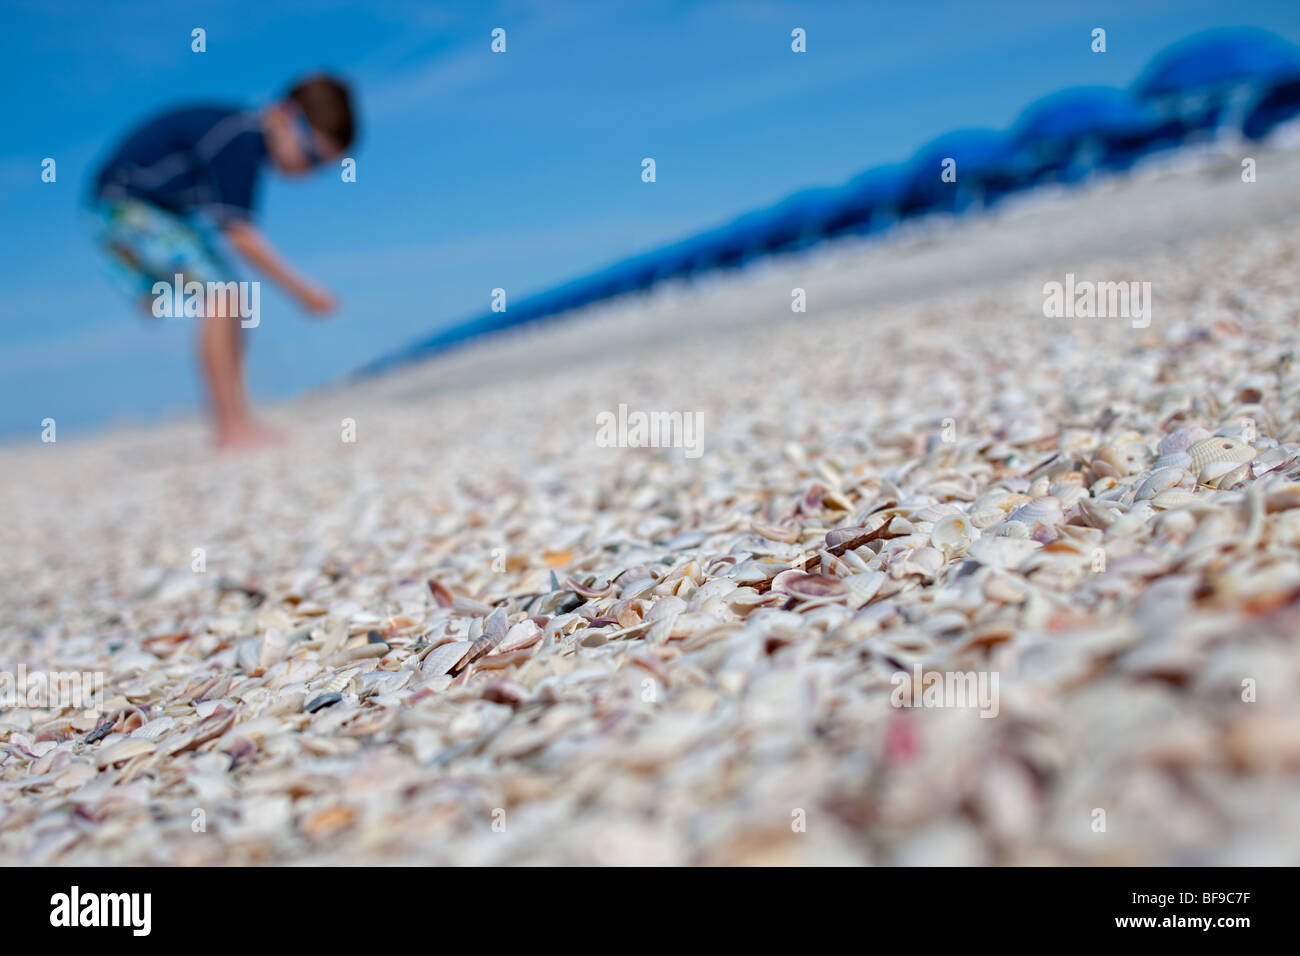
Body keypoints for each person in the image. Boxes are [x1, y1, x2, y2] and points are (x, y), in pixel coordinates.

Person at [88, 74, 356, 447]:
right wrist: (303, 293)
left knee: (229, 297)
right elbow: (239, 235)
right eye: (311, 155)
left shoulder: (243, 140)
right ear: (283, 115)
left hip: (145, 211)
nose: (307, 172)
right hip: (123, 207)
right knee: (224, 296)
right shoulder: (240, 138)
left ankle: (236, 419)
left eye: (321, 168)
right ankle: (231, 428)